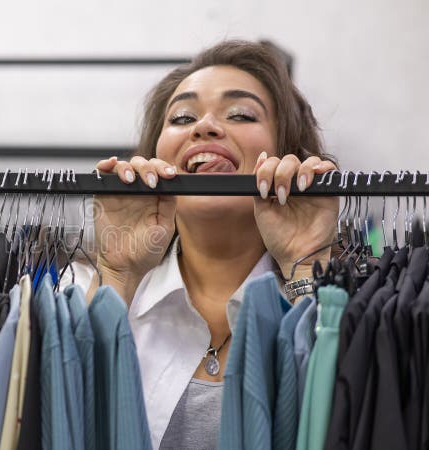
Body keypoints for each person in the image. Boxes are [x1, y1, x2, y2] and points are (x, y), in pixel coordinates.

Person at [88, 40, 339, 449]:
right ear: (156, 156)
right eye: (183, 117)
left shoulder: (346, 312)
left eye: (240, 114)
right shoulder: (97, 295)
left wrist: (305, 262)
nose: (204, 127)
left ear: (285, 155)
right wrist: (117, 273)